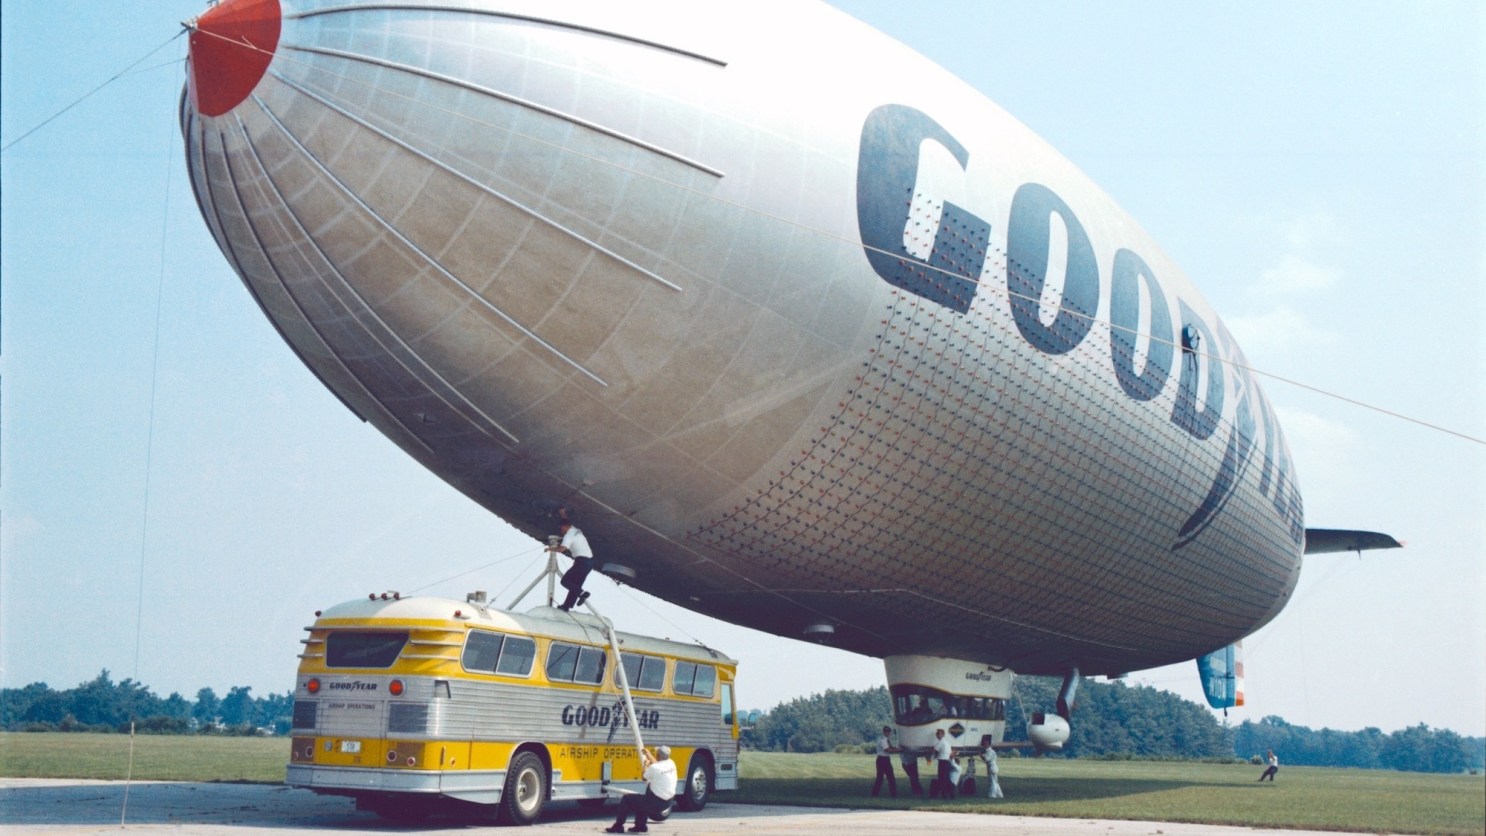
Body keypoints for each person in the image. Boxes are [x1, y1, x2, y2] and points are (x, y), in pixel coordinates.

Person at [606, 745, 677, 833]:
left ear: (658, 755)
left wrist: (645, 765)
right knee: (643, 799)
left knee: (626, 799)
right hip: (668, 803)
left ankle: (618, 826)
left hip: (656, 803)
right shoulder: (671, 763)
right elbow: (658, 765)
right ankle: (640, 826)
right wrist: (648, 754)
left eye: (656, 753)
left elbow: (644, 777)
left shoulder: (654, 768)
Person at [549, 518, 594, 611]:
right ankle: (567, 606)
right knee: (575, 585)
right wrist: (562, 513)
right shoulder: (576, 530)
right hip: (589, 562)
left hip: (582, 562)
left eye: (561, 528)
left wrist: (550, 549)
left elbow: (562, 549)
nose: (561, 531)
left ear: (565, 526)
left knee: (565, 581)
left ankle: (582, 593)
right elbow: (566, 520)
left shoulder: (568, 536)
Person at [870, 726, 898, 798]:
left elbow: (891, 748)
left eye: (888, 731)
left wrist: (897, 748)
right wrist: (898, 750)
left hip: (886, 759)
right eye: (886, 731)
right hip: (882, 760)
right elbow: (887, 750)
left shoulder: (886, 740)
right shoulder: (883, 740)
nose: (888, 733)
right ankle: (875, 793)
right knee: (882, 778)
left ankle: (893, 794)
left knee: (889, 778)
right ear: (883, 732)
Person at [928, 728, 955, 799]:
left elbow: (934, 750)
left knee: (942, 779)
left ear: (943, 735)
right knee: (947, 779)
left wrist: (929, 756)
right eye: (937, 734)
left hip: (943, 763)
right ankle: (951, 794)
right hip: (947, 762)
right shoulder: (947, 742)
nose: (937, 735)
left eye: (939, 734)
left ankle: (945, 795)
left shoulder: (941, 742)